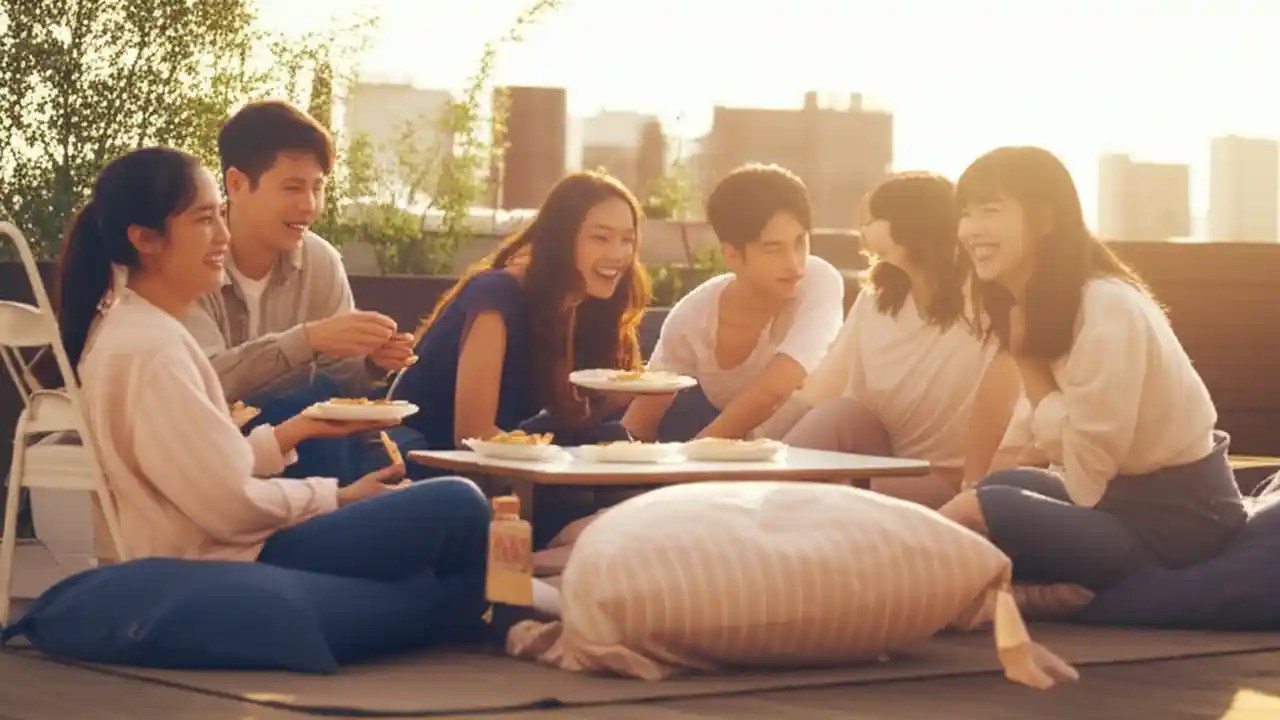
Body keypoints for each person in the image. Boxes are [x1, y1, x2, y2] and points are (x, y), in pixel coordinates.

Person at [59, 147, 491, 645]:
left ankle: (444, 605)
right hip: (220, 563)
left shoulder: (145, 330)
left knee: (439, 550)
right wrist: (338, 497)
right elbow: (230, 505)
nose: (223, 235)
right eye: (203, 220)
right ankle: (449, 605)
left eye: (220, 215)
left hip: (224, 549)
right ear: (145, 239)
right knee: (458, 504)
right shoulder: (152, 348)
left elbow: (201, 469)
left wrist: (298, 431)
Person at [937, 146, 1247, 591]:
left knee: (985, 508)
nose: (971, 229)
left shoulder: (1105, 307)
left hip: (1180, 527)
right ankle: (974, 589)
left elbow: (1088, 474)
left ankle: (891, 575)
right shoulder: (1044, 303)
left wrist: (1029, 368)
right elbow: (1040, 445)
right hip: (1120, 504)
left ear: (1046, 220)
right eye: (966, 213)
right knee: (1002, 486)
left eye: (990, 211)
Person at [181, 101, 413, 480]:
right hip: (211, 448)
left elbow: (342, 381)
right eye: (292, 187)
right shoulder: (191, 260)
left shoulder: (319, 260)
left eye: (317, 188)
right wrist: (307, 340)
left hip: (307, 444)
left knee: (411, 451)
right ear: (236, 184)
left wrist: (371, 361)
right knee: (314, 401)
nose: (309, 206)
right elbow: (202, 381)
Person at [779, 172, 1021, 508]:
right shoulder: (876, 301)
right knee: (839, 414)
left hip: (945, 478)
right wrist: (754, 445)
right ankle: (755, 488)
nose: (864, 228)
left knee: (830, 495)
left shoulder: (983, 298)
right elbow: (821, 391)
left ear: (913, 222)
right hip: (885, 454)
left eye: (876, 218)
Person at [623, 164, 845, 442]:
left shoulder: (818, 281)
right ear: (732, 255)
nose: (794, 263)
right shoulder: (694, 317)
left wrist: (696, 457)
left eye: (800, 242)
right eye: (773, 249)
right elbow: (645, 412)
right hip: (744, 457)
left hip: (829, 449)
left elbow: (775, 390)